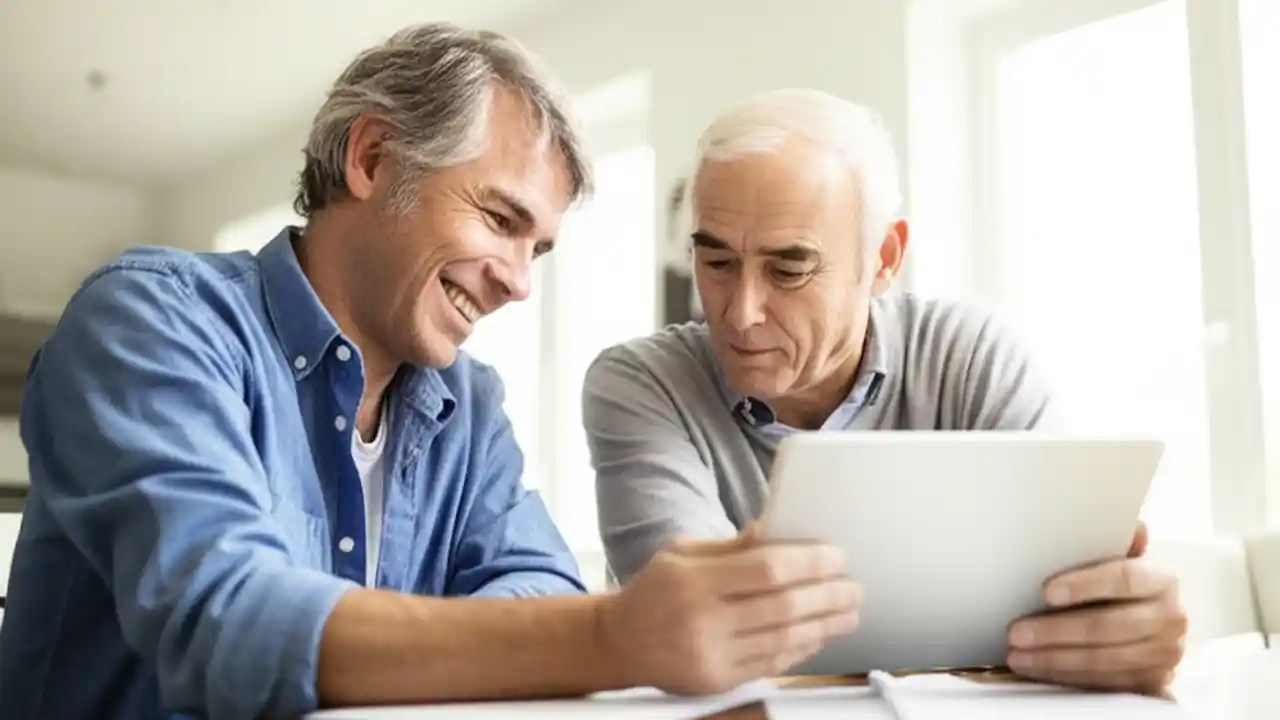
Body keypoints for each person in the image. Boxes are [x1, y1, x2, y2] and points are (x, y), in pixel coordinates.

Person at [0, 28, 860, 719]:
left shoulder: (467, 404)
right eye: (500, 219)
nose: (519, 283)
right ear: (373, 158)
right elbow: (226, 621)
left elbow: (539, 581)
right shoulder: (151, 321)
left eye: (537, 249)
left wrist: (537, 631)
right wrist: (609, 636)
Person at [584, 88, 1187, 694]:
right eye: (717, 264)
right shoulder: (643, 385)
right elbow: (701, 637)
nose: (740, 314)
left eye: (788, 270)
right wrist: (980, 650)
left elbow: (1060, 619)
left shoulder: (975, 360)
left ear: (884, 258)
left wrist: (1117, 637)